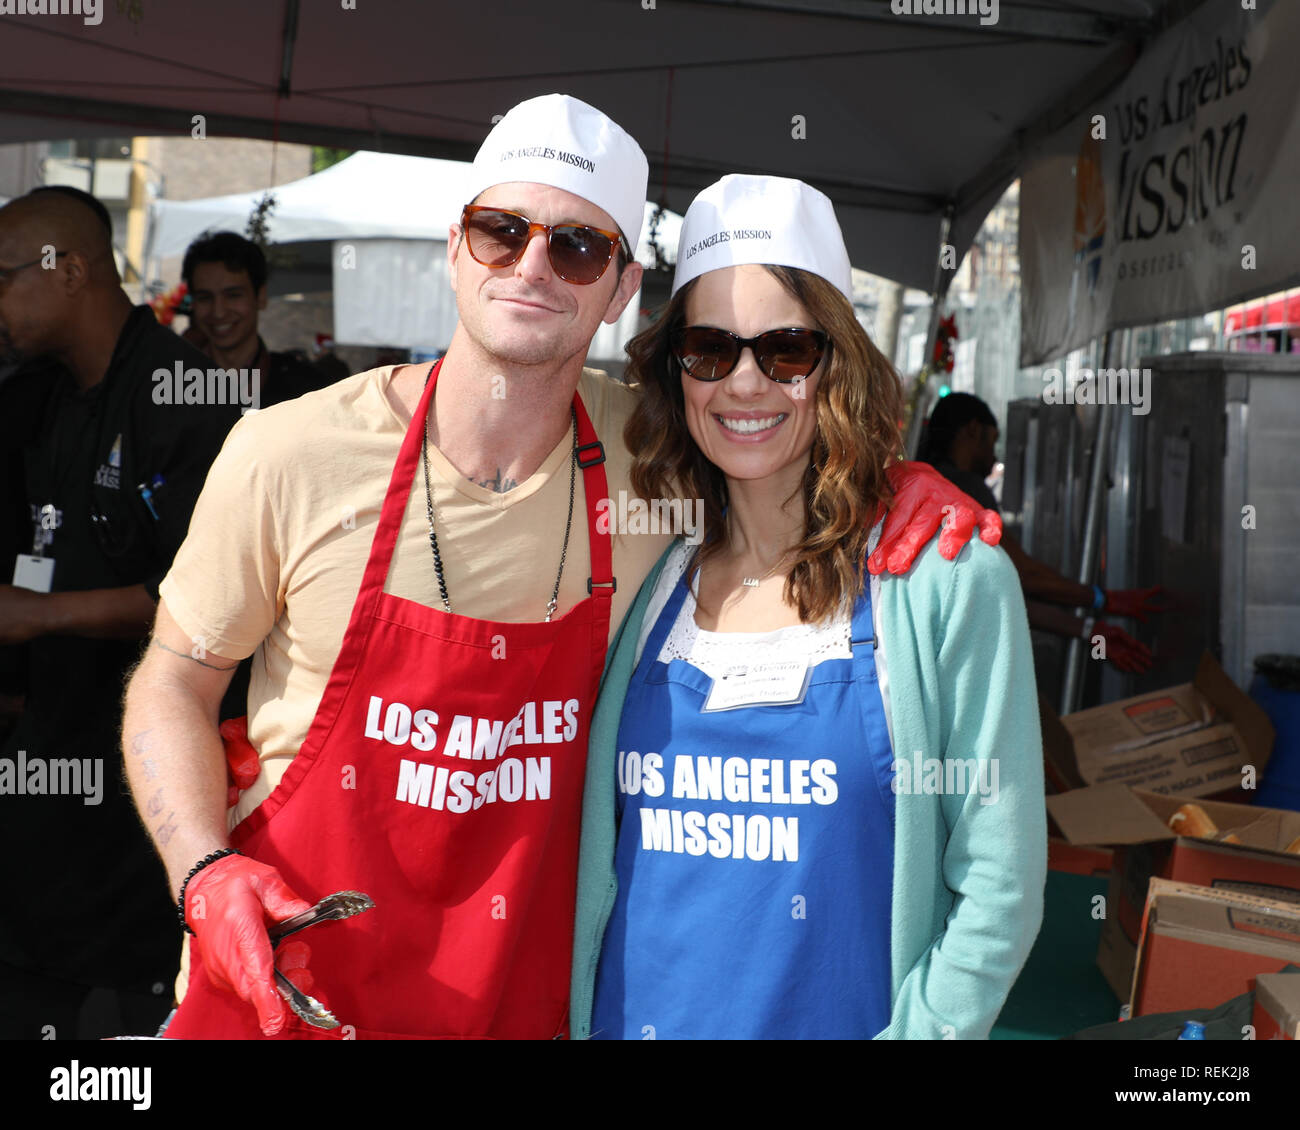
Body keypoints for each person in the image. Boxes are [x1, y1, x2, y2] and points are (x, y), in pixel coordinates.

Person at [122, 96, 993, 1041]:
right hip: (282, 993)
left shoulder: (657, 456)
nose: (533, 266)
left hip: (518, 1008)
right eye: (503, 232)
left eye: (577, 247)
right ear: (455, 247)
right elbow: (173, 678)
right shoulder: (288, 452)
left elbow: (785, 436)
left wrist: (901, 486)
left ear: (622, 289)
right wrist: (201, 869)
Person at [571, 175, 1045, 1040]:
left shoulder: (942, 579)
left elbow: (1000, 884)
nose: (744, 383)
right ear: (677, 371)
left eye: (785, 349)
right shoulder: (642, 577)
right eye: (710, 349)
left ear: (839, 364)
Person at [0, 186, 243, 1039]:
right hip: (49, 754)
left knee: (113, 1012)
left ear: (65, 271)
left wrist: (40, 616)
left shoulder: (184, 396)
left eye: (3, 277)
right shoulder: (42, 396)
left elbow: (202, 602)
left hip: (143, 788)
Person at [920, 391, 1164, 673]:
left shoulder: (927, 481)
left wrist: (1089, 629)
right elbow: (1021, 575)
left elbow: (1006, 594)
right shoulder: (965, 488)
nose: (994, 456)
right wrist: (1103, 599)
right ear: (973, 430)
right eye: (993, 441)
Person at [181, 230, 333, 406]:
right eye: (205, 297)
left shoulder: (308, 392)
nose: (218, 312)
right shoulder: (170, 387)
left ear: (260, 297)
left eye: (233, 295)